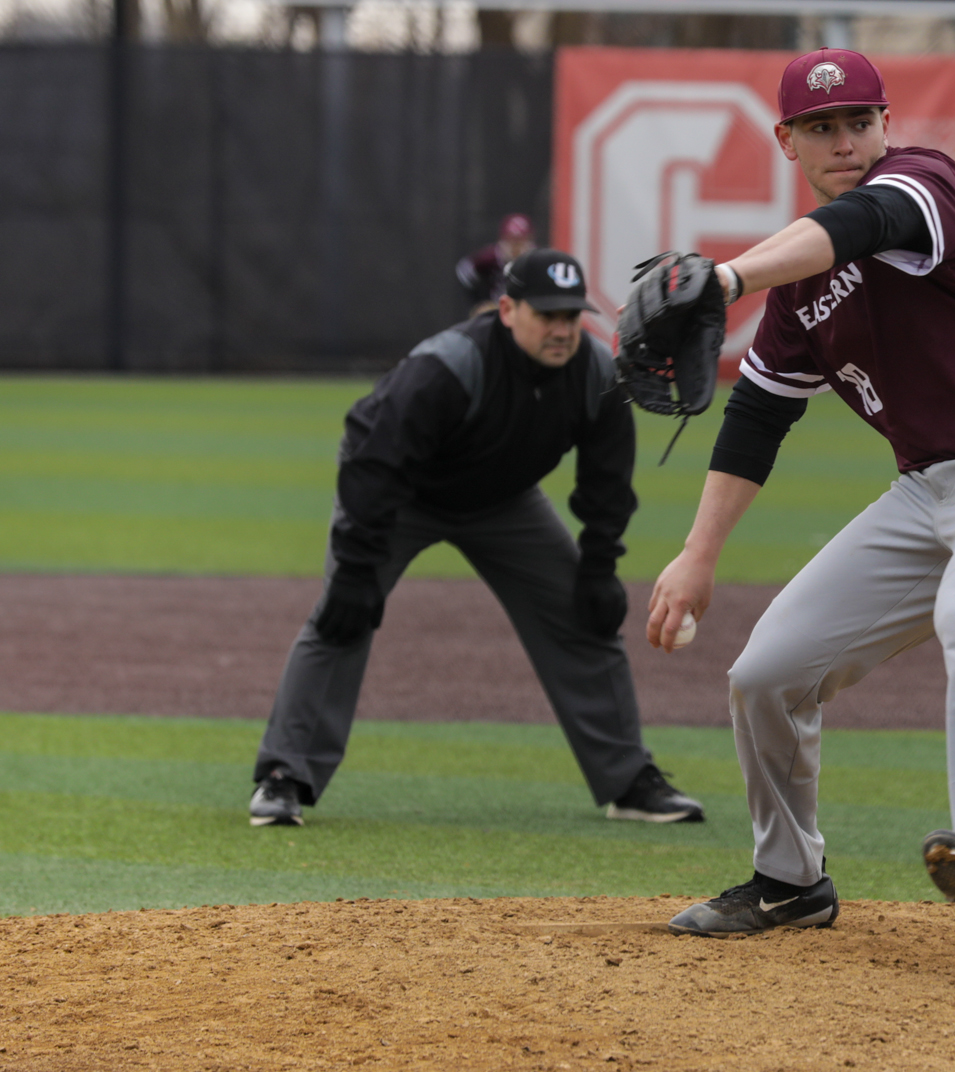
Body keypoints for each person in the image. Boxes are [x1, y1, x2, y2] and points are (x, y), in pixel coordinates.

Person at [645, 49, 955, 965]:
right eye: (823, 127)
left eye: (860, 120)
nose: (846, 140)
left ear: (885, 123)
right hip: (933, 488)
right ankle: (791, 883)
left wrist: (723, 280)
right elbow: (758, 415)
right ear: (786, 139)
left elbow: (865, 220)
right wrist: (697, 554)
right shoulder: (797, 283)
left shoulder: (922, 183)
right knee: (768, 674)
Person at [248, 247, 703, 830]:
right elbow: (372, 459)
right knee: (342, 616)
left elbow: (606, 482)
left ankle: (628, 780)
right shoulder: (449, 365)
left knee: (583, 612)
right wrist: (358, 568)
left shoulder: (595, 372)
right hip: (401, 496)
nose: (562, 329)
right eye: (547, 315)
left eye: (571, 316)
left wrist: (599, 565)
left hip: (503, 503)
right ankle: (285, 776)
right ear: (508, 309)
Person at [456, 214, 537, 316]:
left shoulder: (535, 260)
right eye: (511, 241)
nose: (516, 247)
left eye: (521, 242)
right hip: (495, 309)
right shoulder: (490, 258)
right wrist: (479, 301)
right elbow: (465, 270)